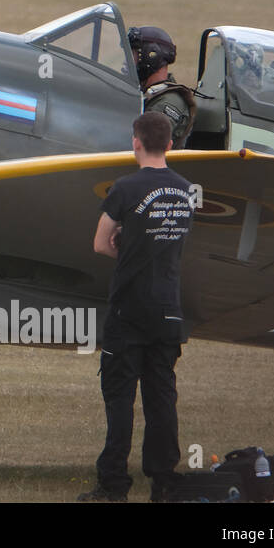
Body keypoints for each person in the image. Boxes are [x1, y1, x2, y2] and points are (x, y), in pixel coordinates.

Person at [78, 111, 195, 503]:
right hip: (169, 309)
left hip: (130, 309)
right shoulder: (184, 191)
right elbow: (169, 242)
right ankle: (163, 482)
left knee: (120, 398)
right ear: (171, 145)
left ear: (135, 142)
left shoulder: (125, 189)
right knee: (162, 398)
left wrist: (126, 247)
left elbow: (99, 243)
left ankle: (113, 485)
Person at [129, 26, 196, 150]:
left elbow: (148, 144)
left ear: (151, 56)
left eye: (133, 55)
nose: (126, 63)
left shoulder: (169, 101)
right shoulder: (146, 94)